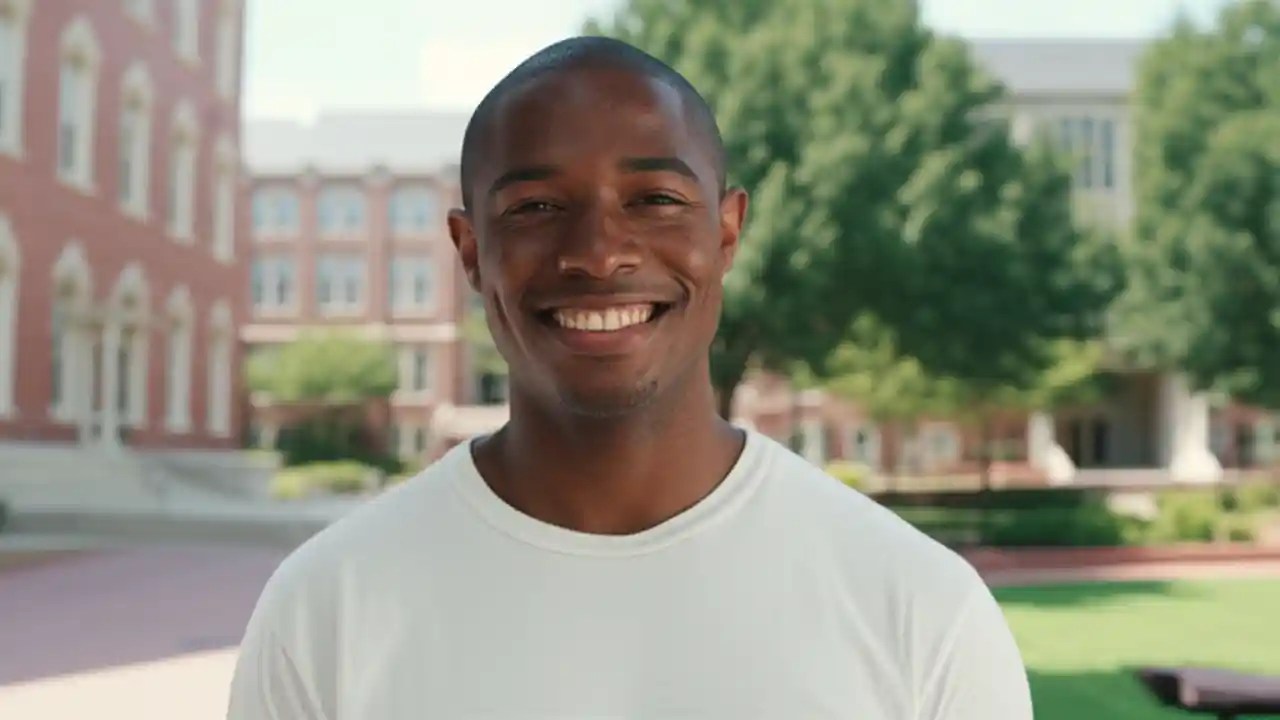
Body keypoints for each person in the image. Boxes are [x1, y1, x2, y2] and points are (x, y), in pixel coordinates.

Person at [227, 36, 1032, 719]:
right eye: (537, 207)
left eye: (653, 198)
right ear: (471, 253)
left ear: (726, 232)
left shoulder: (921, 609)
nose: (599, 252)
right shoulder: (326, 609)